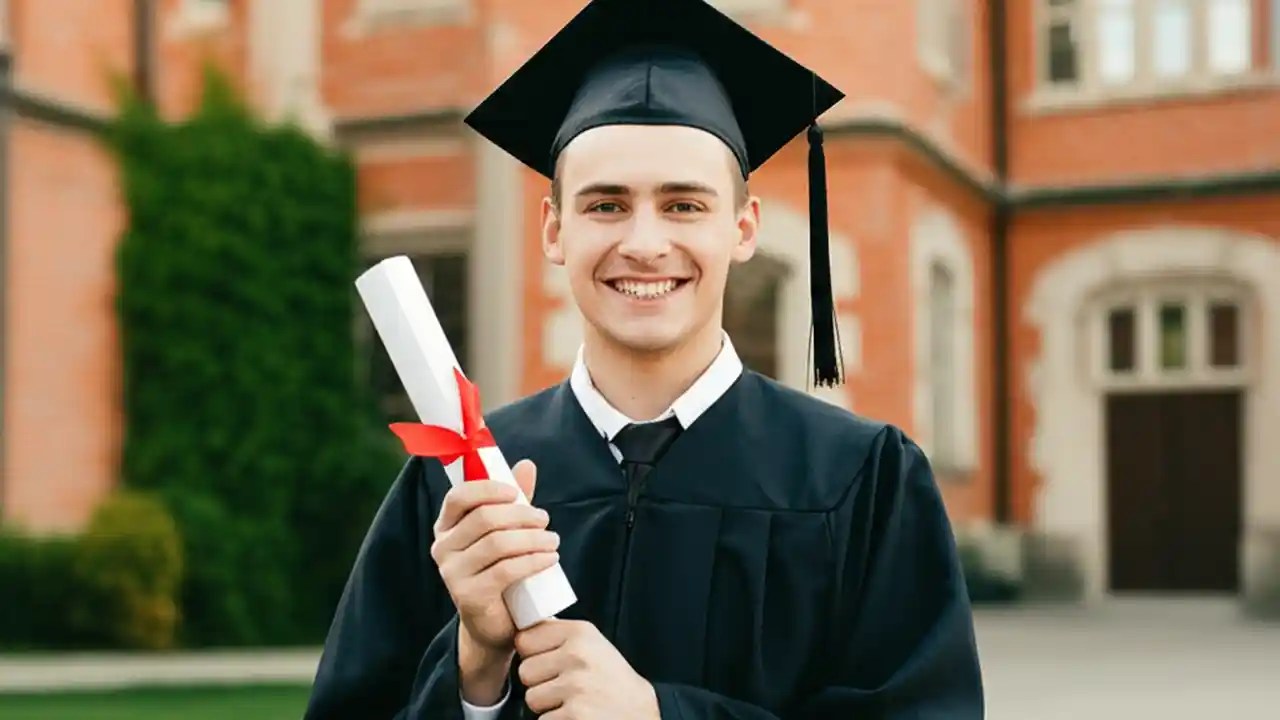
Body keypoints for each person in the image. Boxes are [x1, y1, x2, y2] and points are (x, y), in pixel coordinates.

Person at [304, 0, 984, 717]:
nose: (645, 242)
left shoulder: (861, 480)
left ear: (743, 227)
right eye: (606, 205)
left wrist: (662, 714)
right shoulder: (461, 489)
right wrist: (476, 673)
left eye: (684, 205)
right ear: (554, 229)